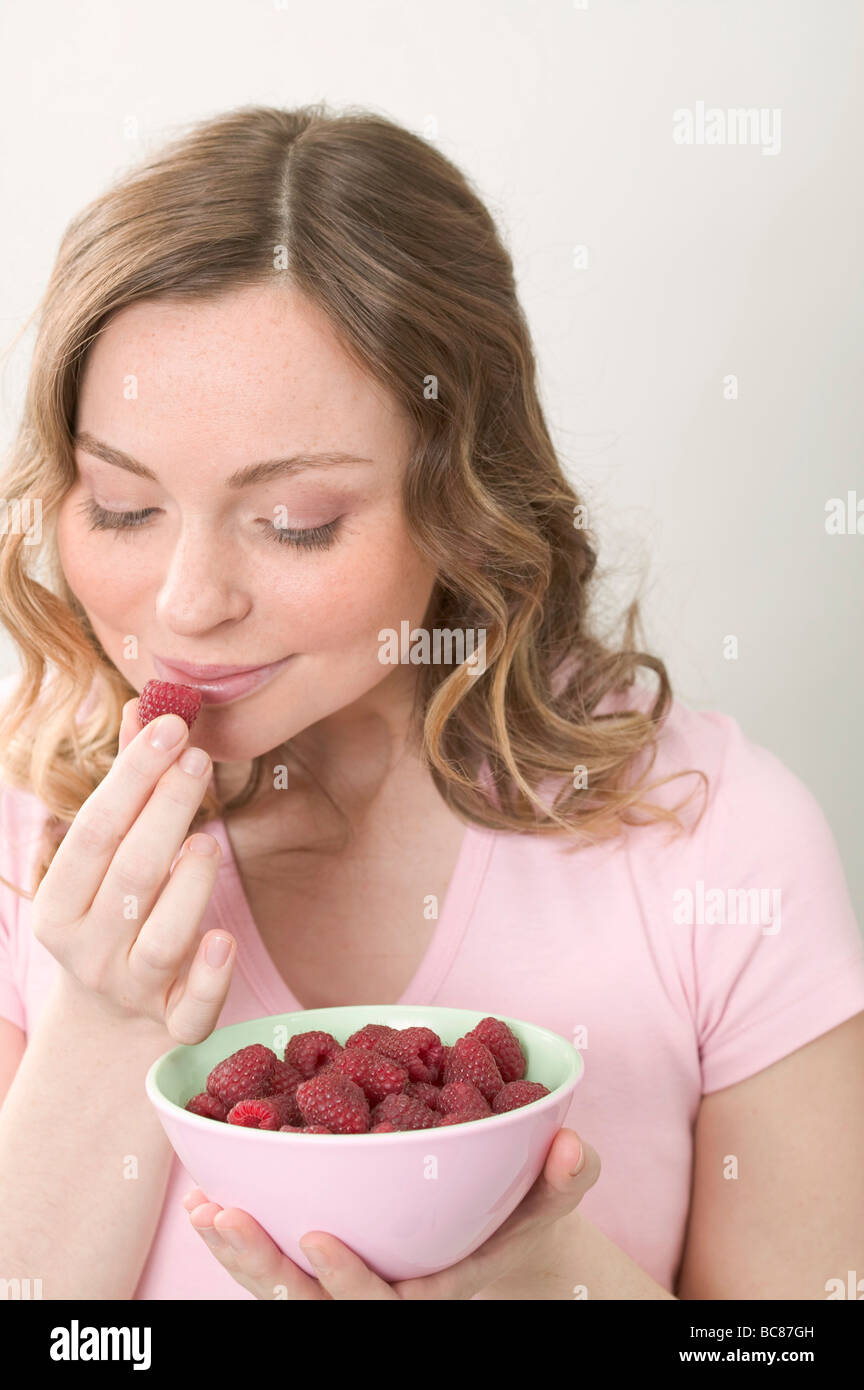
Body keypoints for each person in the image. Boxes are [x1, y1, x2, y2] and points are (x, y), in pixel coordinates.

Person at [0, 104, 861, 1302]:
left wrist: (548, 1275)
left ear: (463, 494)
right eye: (123, 506)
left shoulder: (712, 837)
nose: (187, 604)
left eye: (296, 518)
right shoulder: (20, 846)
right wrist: (102, 1022)